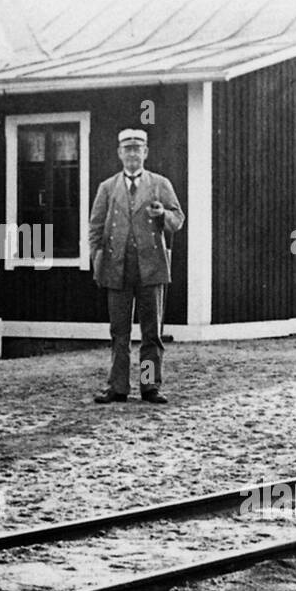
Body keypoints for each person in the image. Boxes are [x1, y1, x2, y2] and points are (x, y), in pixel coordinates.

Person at [89, 128, 185, 403]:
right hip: (117, 267)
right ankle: (118, 387)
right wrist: (97, 260)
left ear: (145, 153)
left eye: (137, 149)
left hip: (151, 266)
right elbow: (95, 228)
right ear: (120, 154)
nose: (132, 154)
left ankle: (149, 386)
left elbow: (178, 219)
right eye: (127, 150)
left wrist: (162, 213)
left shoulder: (159, 184)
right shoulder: (107, 188)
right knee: (119, 331)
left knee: (151, 331)